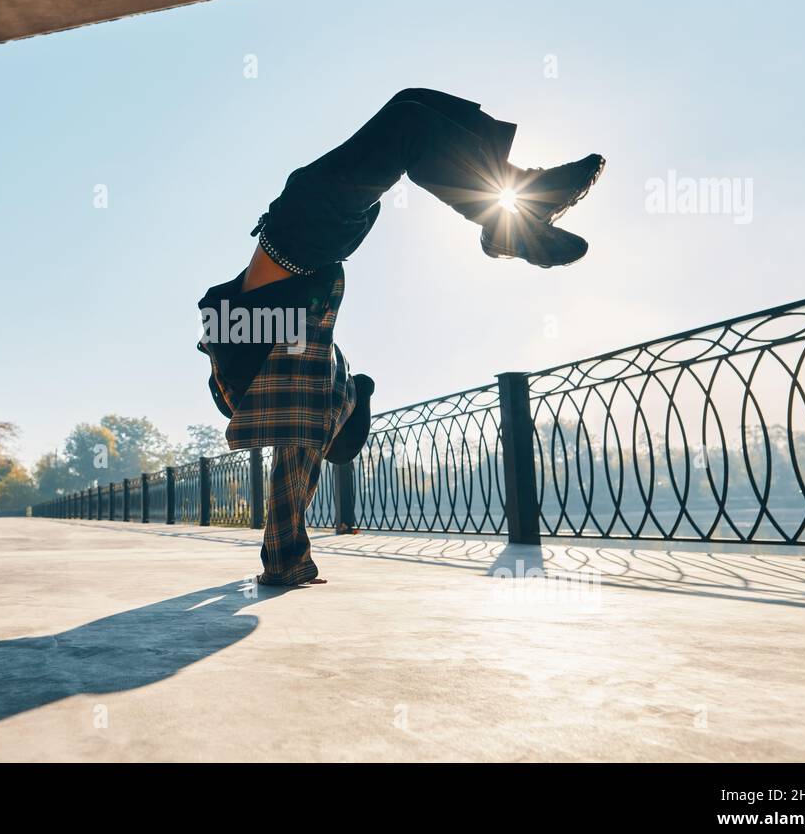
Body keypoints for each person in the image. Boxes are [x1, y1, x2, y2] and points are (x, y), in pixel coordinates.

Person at [197, 87, 604, 586]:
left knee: (411, 116)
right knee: (410, 118)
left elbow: (289, 474)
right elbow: (295, 461)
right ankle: (510, 200)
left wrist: (286, 563)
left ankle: (509, 207)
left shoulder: (281, 389)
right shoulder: (301, 374)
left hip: (299, 235)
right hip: (307, 235)